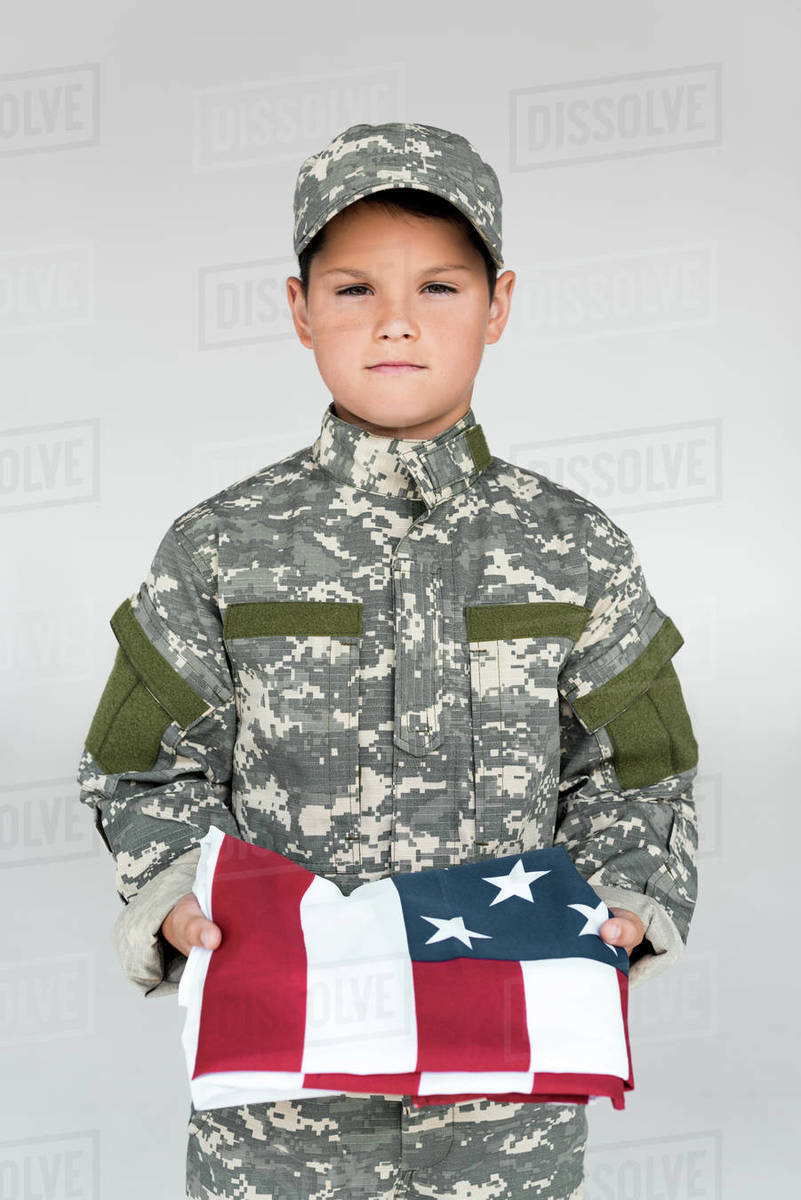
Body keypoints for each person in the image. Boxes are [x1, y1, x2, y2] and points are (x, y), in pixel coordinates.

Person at [76, 121, 699, 1200]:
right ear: (298, 307)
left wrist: (626, 895)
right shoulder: (220, 546)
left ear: (499, 305)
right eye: (356, 288)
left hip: (503, 1086)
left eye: (442, 289)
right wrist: (177, 897)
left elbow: (636, 767)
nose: (398, 322)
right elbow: (141, 767)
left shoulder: (577, 548)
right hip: (284, 1090)